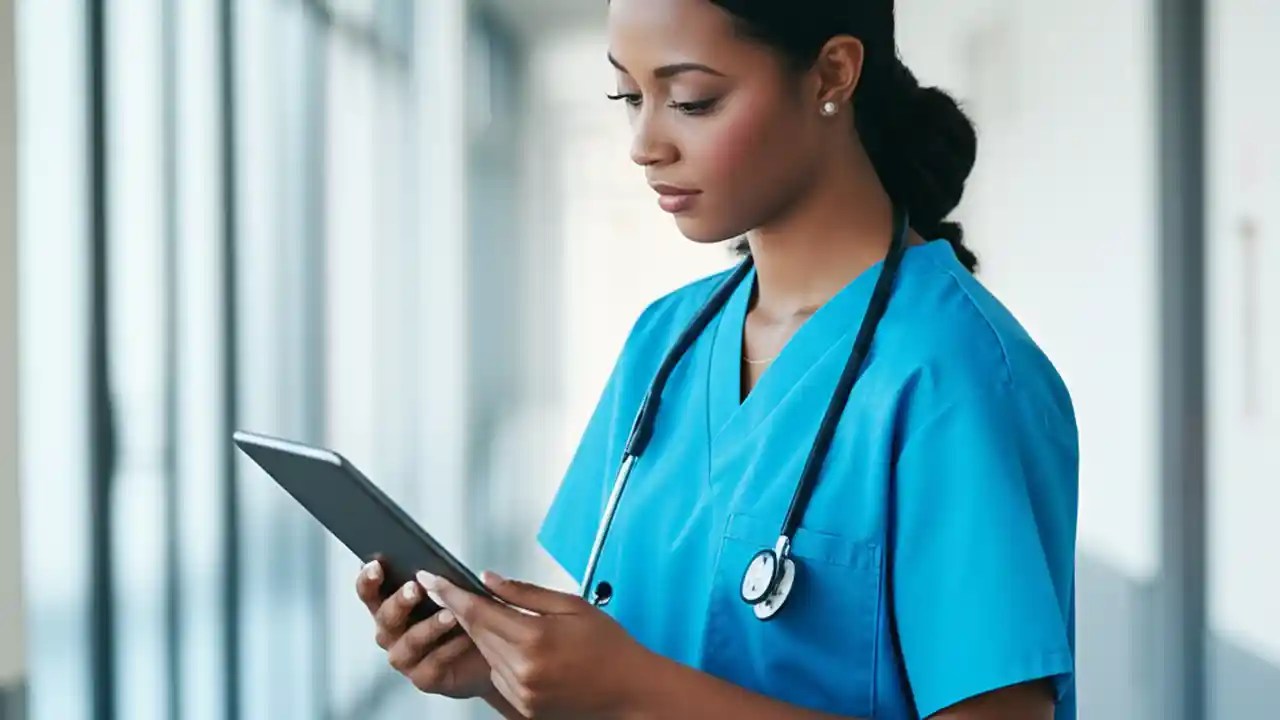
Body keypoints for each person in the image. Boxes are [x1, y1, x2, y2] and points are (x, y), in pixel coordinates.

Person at [356, 0, 1078, 717]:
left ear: (831, 74)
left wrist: (633, 689)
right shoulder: (666, 340)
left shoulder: (955, 375)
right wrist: (493, 675)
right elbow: (610, 695)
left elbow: (634, 691)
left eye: (691, 100)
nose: (644, 143)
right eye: (629, 97)